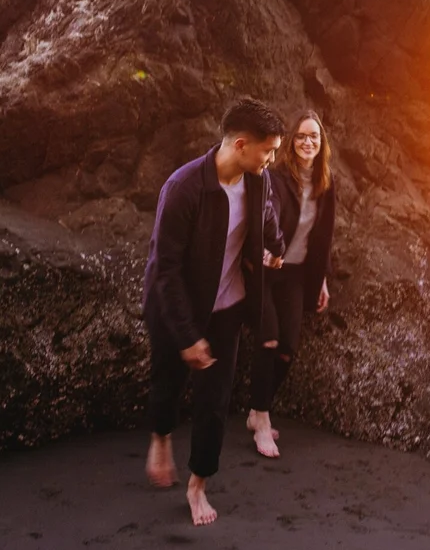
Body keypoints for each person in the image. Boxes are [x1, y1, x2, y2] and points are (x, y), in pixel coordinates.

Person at [142, 98, 287, 526]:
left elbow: (266, 218)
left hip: (226, 307)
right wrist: (187, 335)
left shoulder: (258, 179)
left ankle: (197, 484)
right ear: (241, 144)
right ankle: (161, 434)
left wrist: (274, 248)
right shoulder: (184, 188)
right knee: (167, 383)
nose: (273, 158)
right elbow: (163, 269)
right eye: (268, 150)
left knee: (215, 401)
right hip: (176, 308)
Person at [246, 110, 337, 458]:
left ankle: (258, 410)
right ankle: (263, 424)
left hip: (297, 273)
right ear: (291, 141)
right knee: (268, 339)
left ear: (322, 143)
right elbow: (262, 217)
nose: (307, 142)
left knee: (288, 348)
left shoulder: (325, 183)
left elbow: (324, 236)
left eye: (314, 136)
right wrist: (265, 251)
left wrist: (323, 279)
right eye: (301, 136)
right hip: (268, 271)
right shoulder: (277, 177)